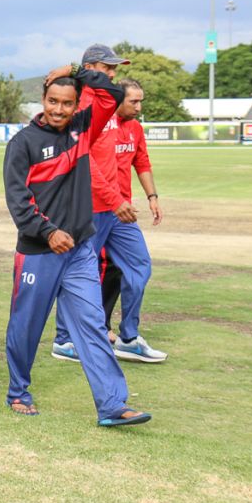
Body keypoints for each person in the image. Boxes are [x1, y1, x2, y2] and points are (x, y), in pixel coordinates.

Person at [1, 58, 150, 427]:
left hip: (80, 250)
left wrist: (75, 69)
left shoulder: (84, 128)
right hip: (39, 252)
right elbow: (18, 202)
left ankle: (112, 404)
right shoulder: (23, 144)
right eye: (53, 101)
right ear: (43, 99)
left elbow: (114, 92)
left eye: (68, 103)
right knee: (27, 327)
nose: (59, 110)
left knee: (92, 324)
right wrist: (49, 232)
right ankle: (18, 391)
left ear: (76, 103)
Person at [100, 78, 167, 361]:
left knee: (136, 266)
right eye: (134, 101)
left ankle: (128, 337)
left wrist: (152, 196)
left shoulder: (136, 128)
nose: (139, 107)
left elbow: (142, 162)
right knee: (94, 271)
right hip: (99, 210)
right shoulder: (101, 127)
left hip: (123, 213)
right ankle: (78, 335)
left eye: (141, 101)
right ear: (118, 100)